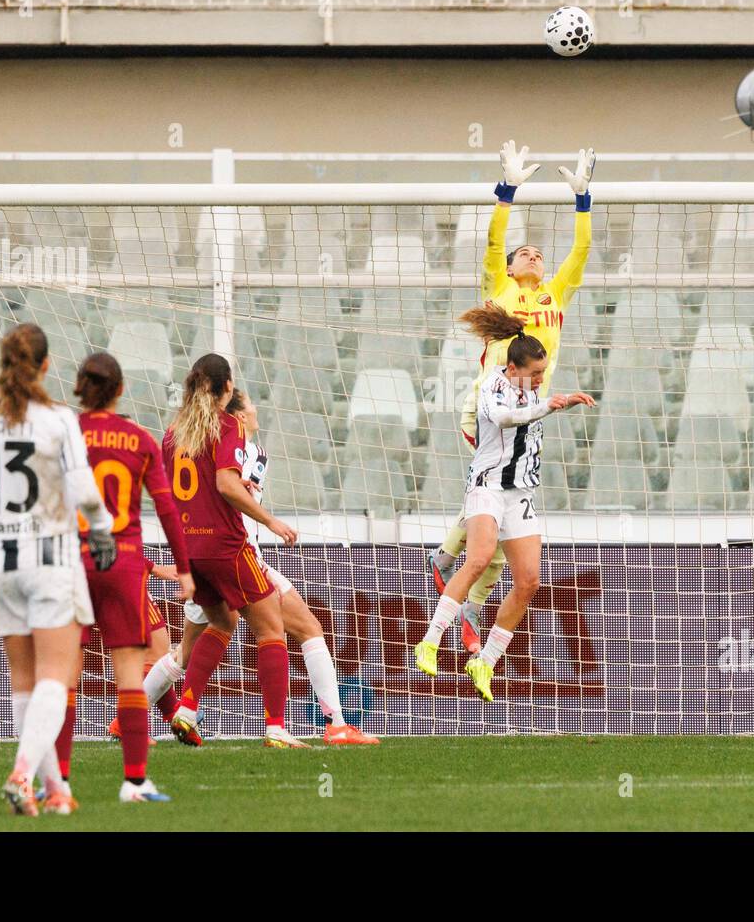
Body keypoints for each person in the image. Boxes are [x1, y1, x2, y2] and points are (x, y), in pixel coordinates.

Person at [0, 323, 116, 816]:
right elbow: (85, 491)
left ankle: (54, 791)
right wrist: (101, 530)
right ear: (47, 365)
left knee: (24, 682)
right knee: (58, 673)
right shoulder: (58, 421)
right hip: (49, 556)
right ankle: (21, 774)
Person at [429, 139, 596, 655]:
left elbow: (581, 253)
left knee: (505, 514)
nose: (535, 254)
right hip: (488, 404)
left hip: (531, 408)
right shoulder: (499, 287)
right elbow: (493, 243)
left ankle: (462, 587)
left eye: (540, 253)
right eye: (527, 251)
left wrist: (583, 201)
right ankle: (449, 566)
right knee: (494, 488)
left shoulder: (555, 294)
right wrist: (508, 192)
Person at [143, 388, 379, 745]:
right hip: (237, 555)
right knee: (302, 629)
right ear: (236, 414)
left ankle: (154, 715)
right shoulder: (240, 445)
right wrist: (270, 520)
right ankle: (327, 724)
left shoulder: (189, 439)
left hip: (202, 552)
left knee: (193, 646)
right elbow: (231, 489)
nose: (256, 409)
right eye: (250, 403)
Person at [413, 304, 595, 700]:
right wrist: (550, 404)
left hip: (520, 494)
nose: (540, 381)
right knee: (478, 559)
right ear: (513, 369)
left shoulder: (530, 390)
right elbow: (506, 419)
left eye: (543, 375)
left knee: (529, 582)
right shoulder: (493, 388)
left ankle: (486, 661)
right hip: (487, 487)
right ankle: (430, 641)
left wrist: (549, 400)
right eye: (534, 374)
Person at [63, 351, 195, 803]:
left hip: (73, 560)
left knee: (65, 676)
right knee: (128, 674)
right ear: (120, 390)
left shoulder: (66, 436)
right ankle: (135, 783)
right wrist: (183, 569)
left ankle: (58, 784)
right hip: (123, 564)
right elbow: (167, 510)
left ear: (82, 388)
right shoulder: (139, 439)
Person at [162, 353, 304, 748]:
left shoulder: (172, 434)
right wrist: (270, 521)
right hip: (224, 545)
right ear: (227, 388)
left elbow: (170, 494)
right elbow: (226, 484)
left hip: (189, 547)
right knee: (271, 628)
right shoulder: (228, 426)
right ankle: (276, 727)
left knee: (222, 623)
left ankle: (186, 710)